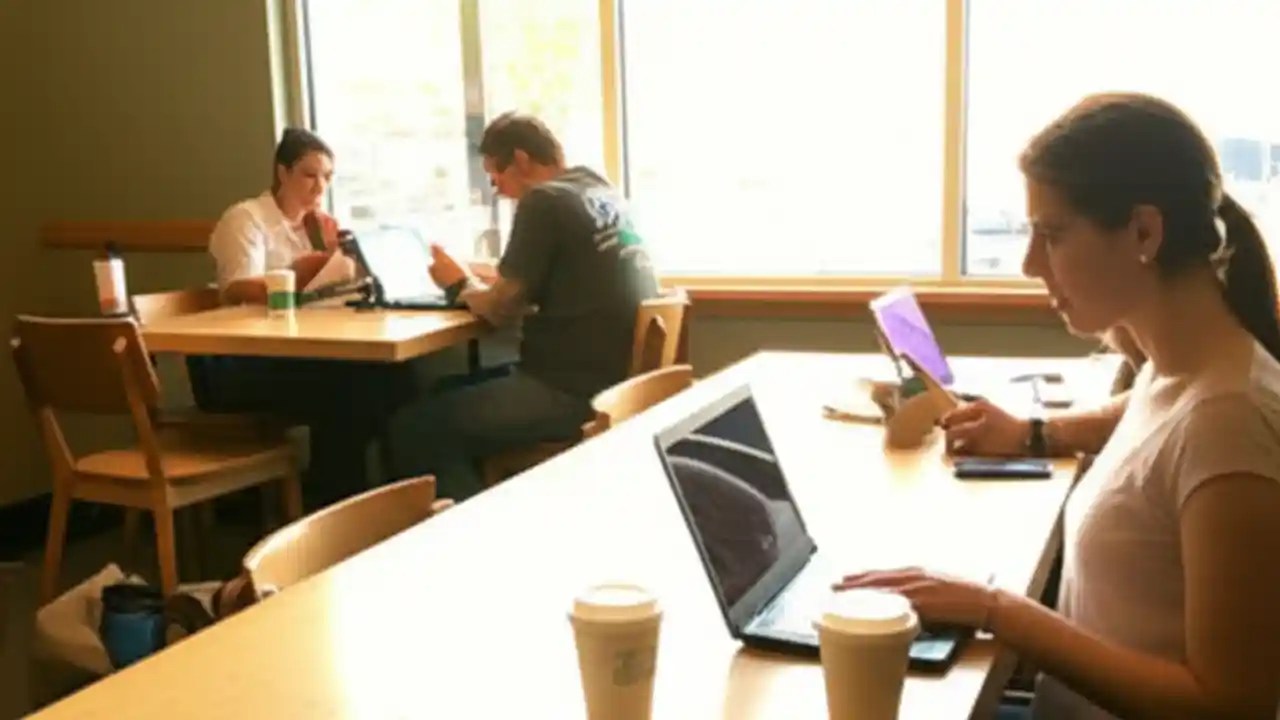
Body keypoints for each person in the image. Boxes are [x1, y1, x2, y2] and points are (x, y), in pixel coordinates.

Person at [838, 93, 1280, 719]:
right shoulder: (1179, 370)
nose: (1028, 264)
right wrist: (1034, 432)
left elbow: (1230, 706)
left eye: (1051, 235)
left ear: (1144, 233)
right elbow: (1155, 425)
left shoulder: (1231, 423)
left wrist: (997, 610)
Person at [387, 112, 660, 499]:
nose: (497, 190)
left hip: (570, 390)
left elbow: (500, 310)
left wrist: (458, 284)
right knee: (440, 391)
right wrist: (481, 280)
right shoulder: (597, 189)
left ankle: (469, 529)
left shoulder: (542, 201)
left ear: (520, 159)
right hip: (617, 381)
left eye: (495, 176)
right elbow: (553, 275)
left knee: (414, 428)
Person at [197, 128, 413, 510]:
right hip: (241, 361)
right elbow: (234, 289)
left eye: (327, 177)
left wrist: (333, 256)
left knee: (394, 377)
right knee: (352, 388)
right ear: (282, 173)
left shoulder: (316, 226)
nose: (320, 186)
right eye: (310, 175)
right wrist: (298, 273)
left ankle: (352, 496)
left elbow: (324, 295)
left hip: (298, 352)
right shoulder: (246, 218)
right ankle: (335, 505)